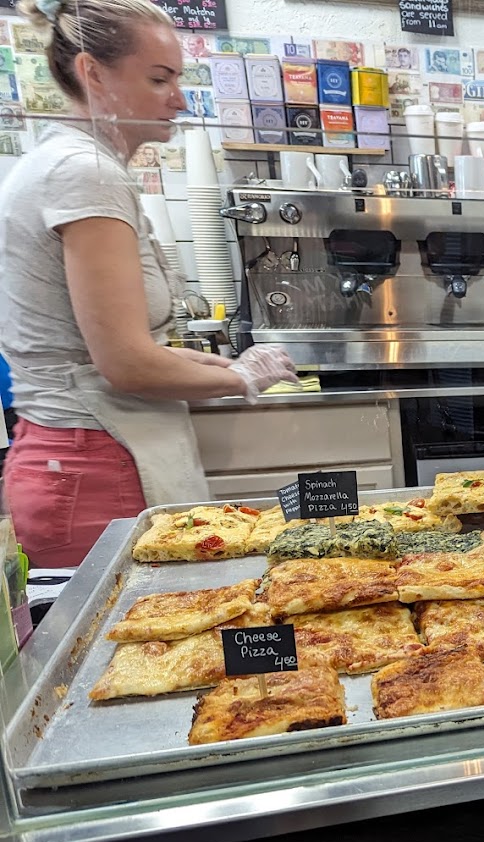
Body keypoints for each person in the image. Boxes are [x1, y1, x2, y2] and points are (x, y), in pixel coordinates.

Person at [0, 0, 297, 567]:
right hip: (95, 463)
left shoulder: (71, 164)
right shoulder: (84, 173)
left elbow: (106, 348)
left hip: (85, 455)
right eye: (159, 79)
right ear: (92, 73)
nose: (179, 99)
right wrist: (239, 376)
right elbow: (126, 364)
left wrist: (215, 365)